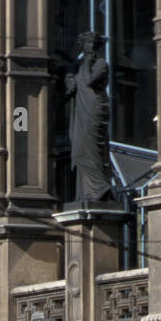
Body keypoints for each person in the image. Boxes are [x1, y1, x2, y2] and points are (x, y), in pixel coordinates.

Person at [66, 32, 114, 202]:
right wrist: (69, 80)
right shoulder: (77, 66)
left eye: (93, 43)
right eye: (87, 43)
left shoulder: (101, 63)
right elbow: (70, 88)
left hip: (94, 108)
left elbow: (89, 81)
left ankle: (100, 186)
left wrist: (86, 61)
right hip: (81, 109)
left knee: (92, 149)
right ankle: (89, 191)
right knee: (78, 151)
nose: (90, 46)